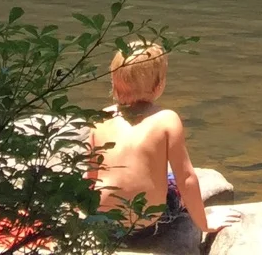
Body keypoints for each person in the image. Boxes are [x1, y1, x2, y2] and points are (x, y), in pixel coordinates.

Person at [88, 42, 208, 255]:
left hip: (104, 225)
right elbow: (187, 178)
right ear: (159, 85)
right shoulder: (166, 119)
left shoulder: (100, 118)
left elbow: (90, 178)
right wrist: (205, 224)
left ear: (114, 83)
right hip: (144, 228)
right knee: (173, 184)